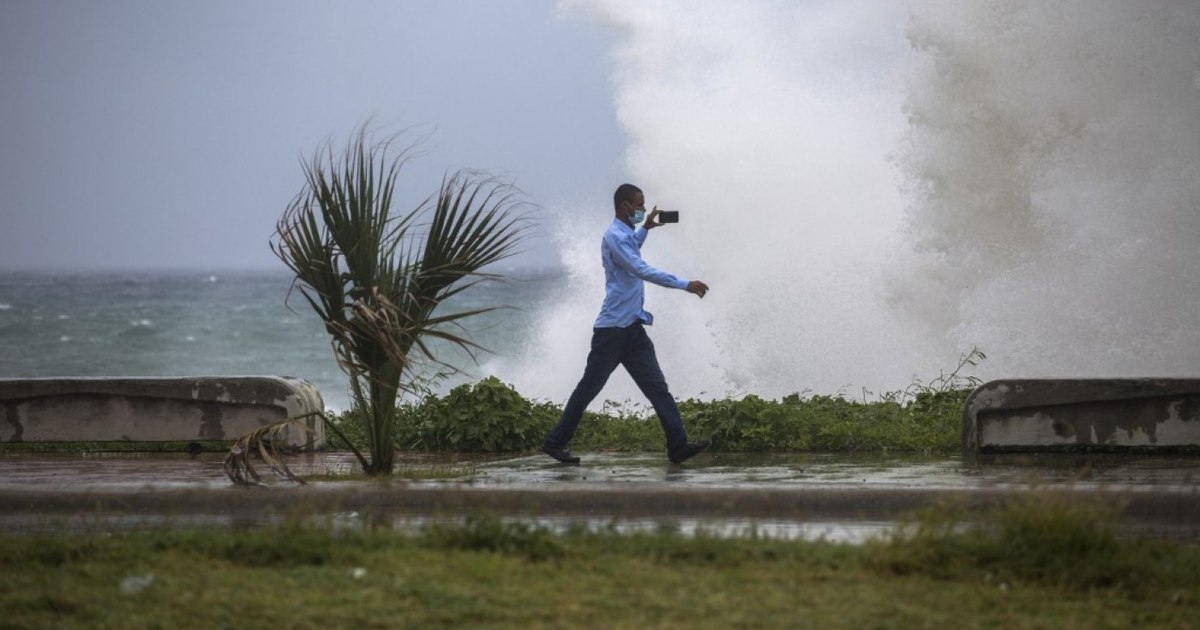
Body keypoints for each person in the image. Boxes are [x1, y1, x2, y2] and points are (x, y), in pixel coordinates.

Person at [542, 183, 712, 465]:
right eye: (640, 204)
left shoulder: (626, 234)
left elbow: (631, 250)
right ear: (625, 206)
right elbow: (639, 268)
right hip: (611, 332)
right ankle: (554, 442)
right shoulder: (614, 236)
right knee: (588, 389)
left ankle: (678, 446)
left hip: (632, 329)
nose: (643, 209)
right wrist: (685, 284)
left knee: (658, 388)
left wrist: (645, 227)